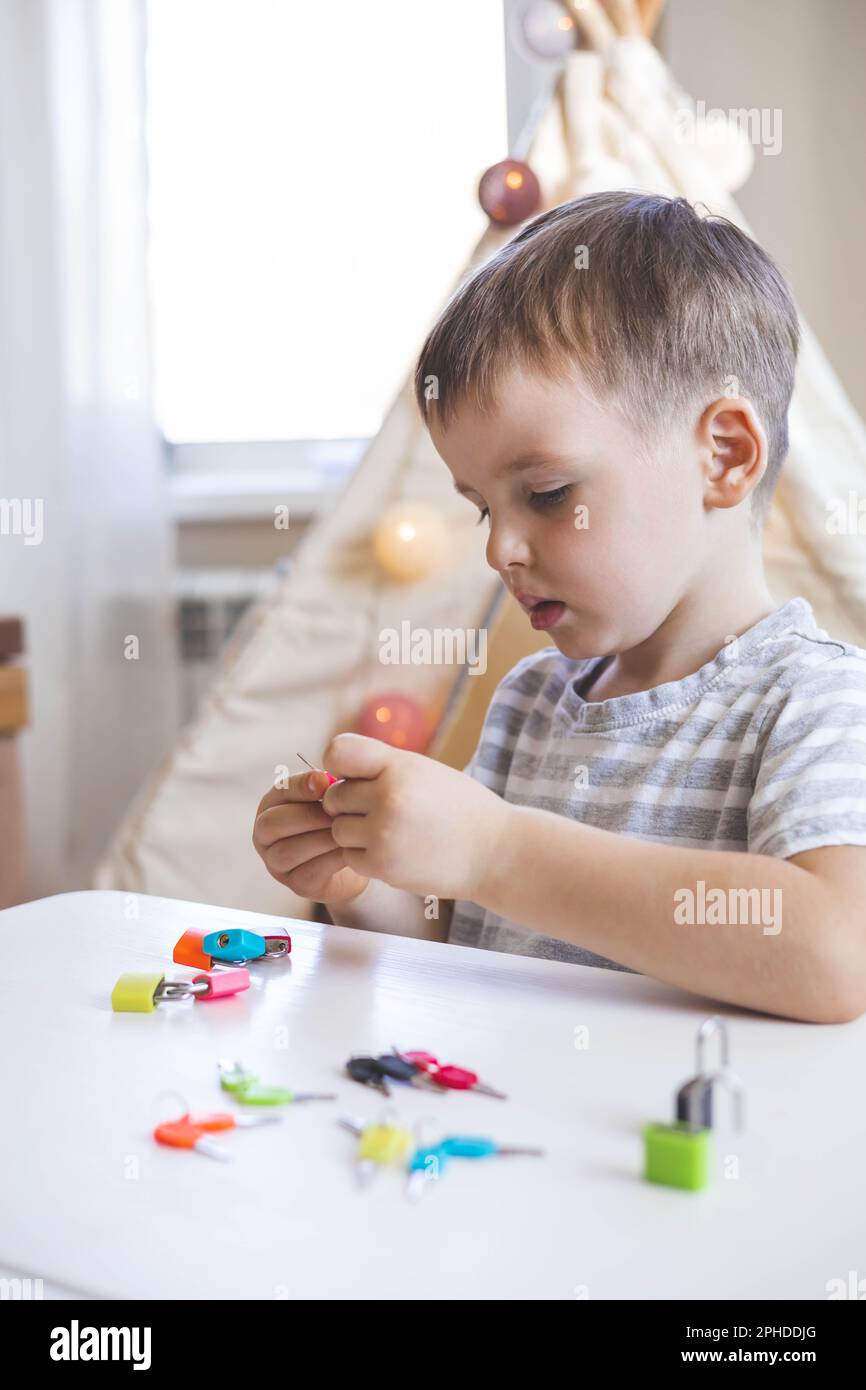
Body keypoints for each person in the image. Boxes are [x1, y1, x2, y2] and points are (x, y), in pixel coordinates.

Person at [253, 192, 866, 1024]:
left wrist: (496, 849)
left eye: (546, 493)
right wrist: (361, 883)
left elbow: (834, 955)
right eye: (482, 507)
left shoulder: (816, 700)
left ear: (723, 457)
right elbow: (462, 930)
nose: (499, 549)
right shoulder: (530, 700)